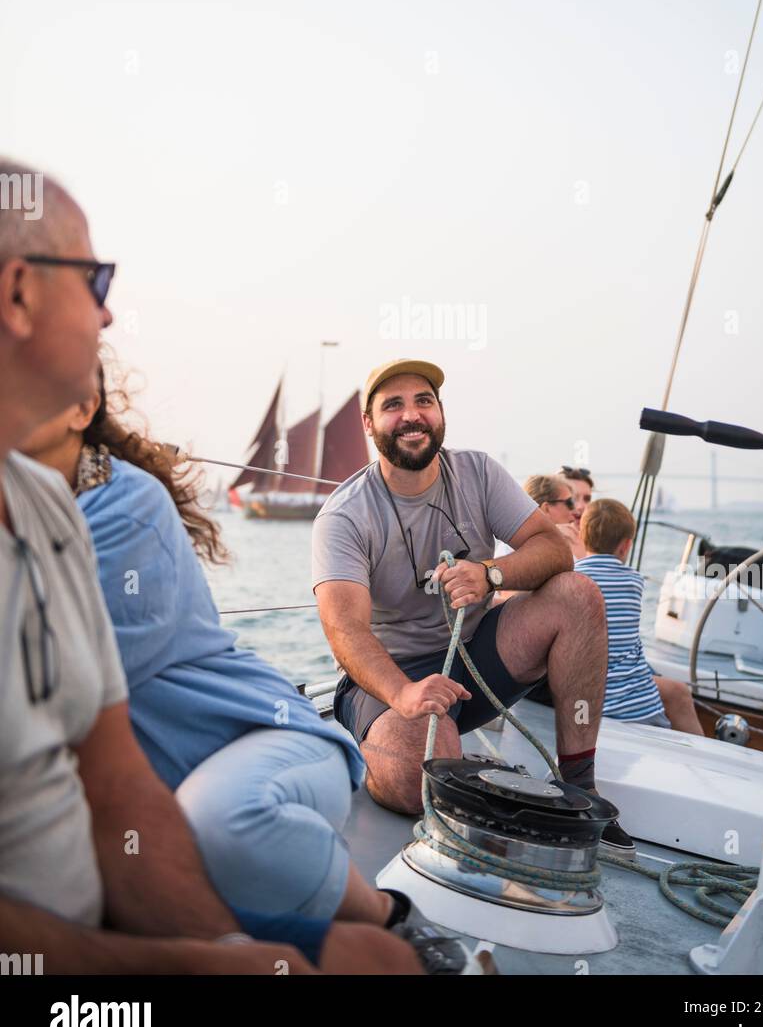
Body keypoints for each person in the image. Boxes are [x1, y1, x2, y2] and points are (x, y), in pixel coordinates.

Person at [0, 156, 418, 975]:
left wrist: (229, 951)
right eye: (93, 278)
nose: (108, 312)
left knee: (379, 961)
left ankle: (380, 917)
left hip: (240, 754)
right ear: (19, 293)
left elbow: (113, 783)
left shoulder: (54, 509)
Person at [20, 366, 475, 969]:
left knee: (220, 821)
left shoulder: (123, 504)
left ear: (83, 409)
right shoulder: (23, 510)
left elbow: (52, 684)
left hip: (257, 739)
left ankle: (386, 914)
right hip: (145, 781)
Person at [313, 357, 634, 856]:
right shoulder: (345, 515)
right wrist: (404, 693)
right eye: (393, 405)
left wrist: (490, 574)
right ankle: (403, 751)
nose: (412, 415)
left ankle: (579, 786)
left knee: (578, 595)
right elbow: (345, 630)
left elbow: (554, 549)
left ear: (440, 412)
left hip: (475, 655)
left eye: (424, 401)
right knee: (416, 782)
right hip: (392, 678)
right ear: (369, 424)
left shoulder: (478, 472)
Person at [574, 497, 702, 736]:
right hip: (641, 706)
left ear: (581, 537)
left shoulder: (570, 577)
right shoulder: (634, 581)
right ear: (626, 546)